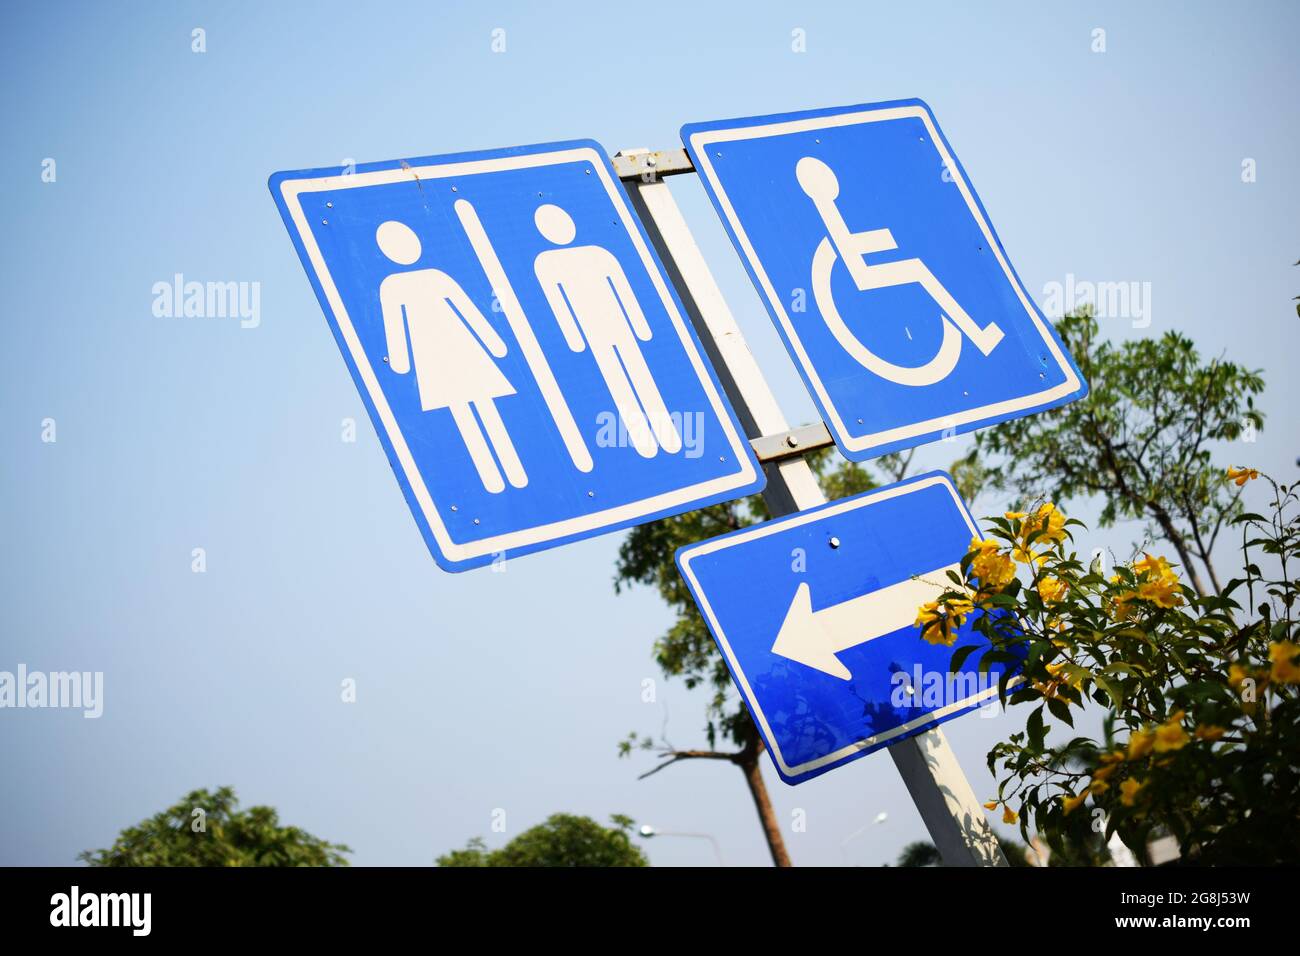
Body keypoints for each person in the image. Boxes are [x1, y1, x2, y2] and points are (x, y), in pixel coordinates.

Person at [376, 219, 527, 494]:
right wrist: (400, 362)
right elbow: (395, 326)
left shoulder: (433, 277)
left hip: (460, 348)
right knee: (465, 412)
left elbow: (467, 310)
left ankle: (514, 471)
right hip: (433, 357)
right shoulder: (393, 286)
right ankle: (494, 479)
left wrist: (494, 343)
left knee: (484, 406)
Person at [532, 203, 682, 459]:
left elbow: (623, 290)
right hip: (595, 334)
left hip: (618, 327)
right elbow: (559, 305)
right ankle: (643, 442)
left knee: (639, 373)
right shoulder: (546, 262)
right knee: (618, 380)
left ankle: (668, 436)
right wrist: (574, 338)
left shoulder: (599, 254)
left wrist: (640, 326)